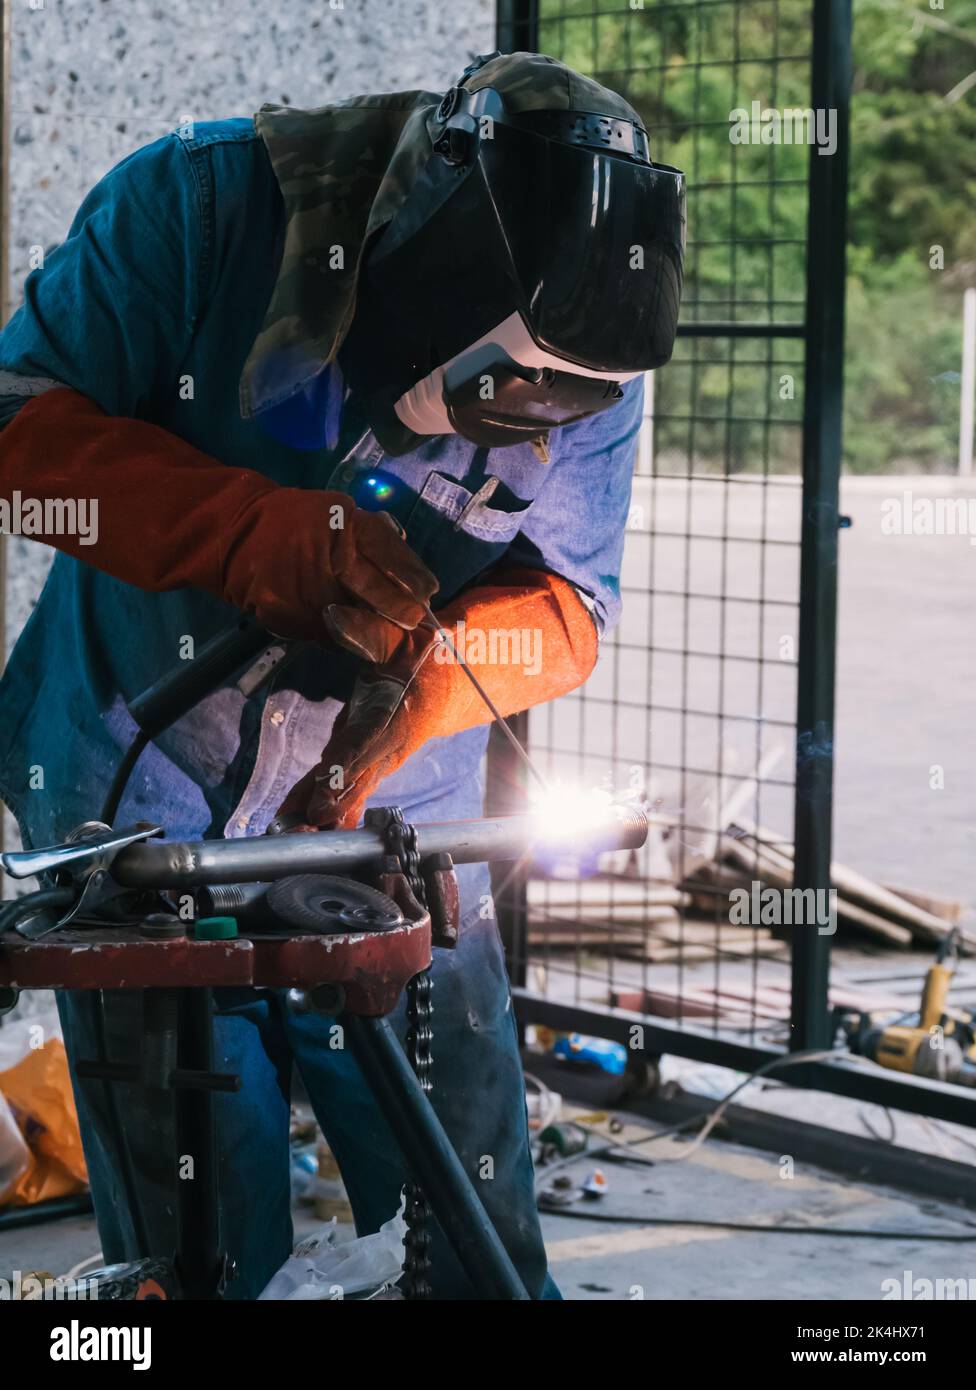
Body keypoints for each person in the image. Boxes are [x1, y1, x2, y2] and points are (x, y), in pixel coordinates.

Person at [0, 50, 684, 1299]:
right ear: (418, 274)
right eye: (515, 380)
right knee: (194, 1247)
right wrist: (241, 532)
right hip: (136, 802)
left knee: (469, 1230)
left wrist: (432, 680)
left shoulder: (596, 333)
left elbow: (570, 604)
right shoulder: (198, 210)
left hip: (392, 828)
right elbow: (17, 431)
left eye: (568, 399)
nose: (539, 415)